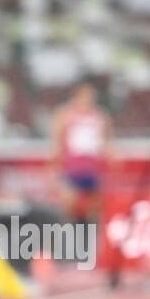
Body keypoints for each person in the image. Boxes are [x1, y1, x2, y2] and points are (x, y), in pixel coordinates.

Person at [49, 83, 111, 223]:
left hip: (92, 168)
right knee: (69, 205)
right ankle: (66, 237)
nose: (88, 99)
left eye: (91, 96)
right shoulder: (65, 115)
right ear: (76, 97)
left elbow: (106, 141)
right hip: (72, 168)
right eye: (85, 96)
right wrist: (53, 165)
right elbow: (57, 142)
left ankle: (92, 236)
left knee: (95, 206)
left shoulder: (100, 117)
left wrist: (111, 156)